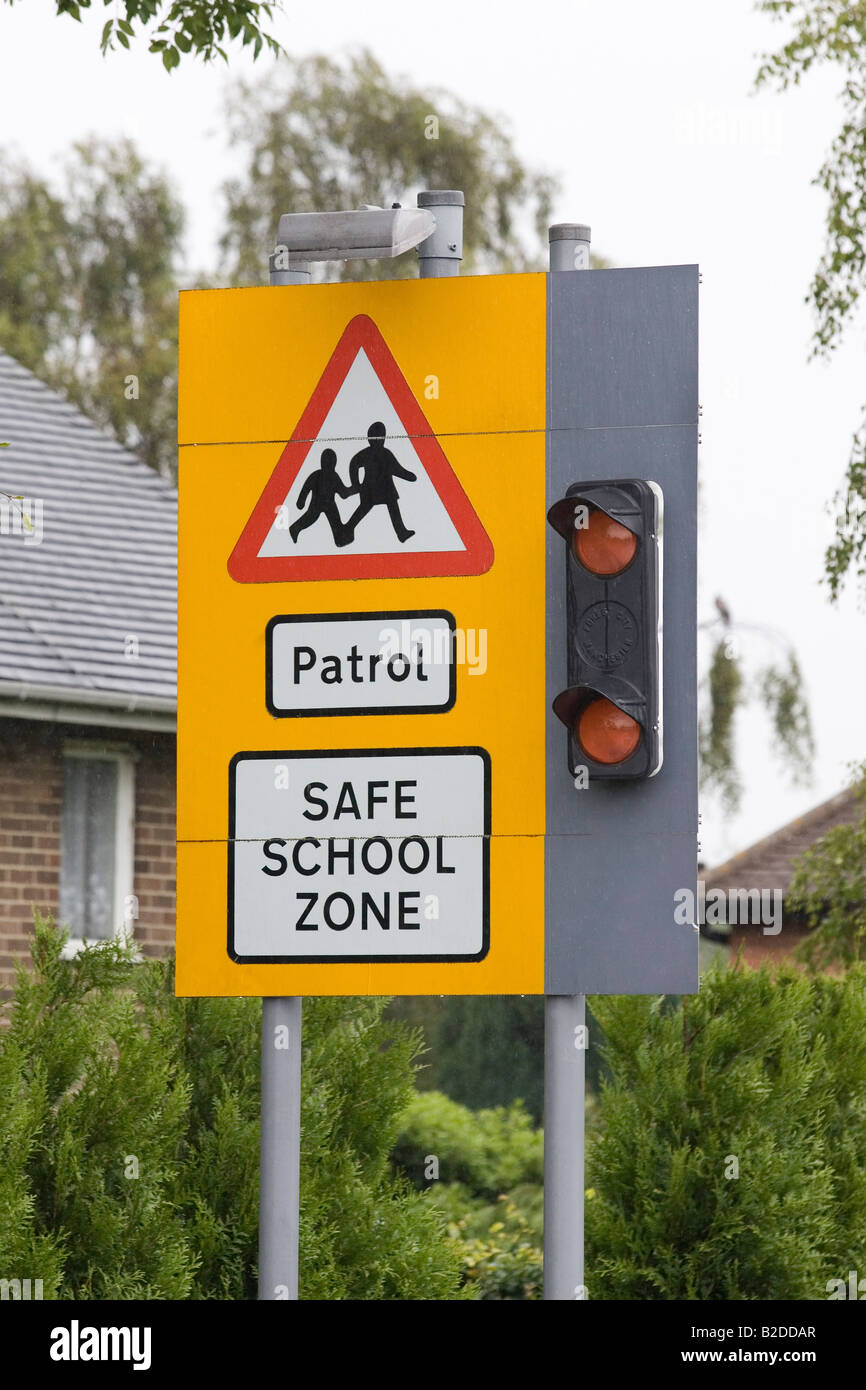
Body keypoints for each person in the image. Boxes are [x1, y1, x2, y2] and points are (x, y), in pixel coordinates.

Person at [344, 421, 416, 544]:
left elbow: (397, 469)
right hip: (374, 488)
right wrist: (356, 484)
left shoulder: (382, 453)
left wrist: (409, 476)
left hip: (382, 488)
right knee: (366, 507)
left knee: (389, 505)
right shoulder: (378, 453)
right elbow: (354, 464)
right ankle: (348, 528)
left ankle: (401, 532)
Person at [289, 447, 353, 546]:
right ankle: (294, 528)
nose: (328, 466)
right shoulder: (318, 475)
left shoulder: (332, 476)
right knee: (310, 518)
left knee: (335, 524)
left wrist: (355, 489)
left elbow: (343, 493)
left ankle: (339, 539)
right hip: (317, 504)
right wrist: (301, 501)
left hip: (329, 505)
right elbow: (306, 488)